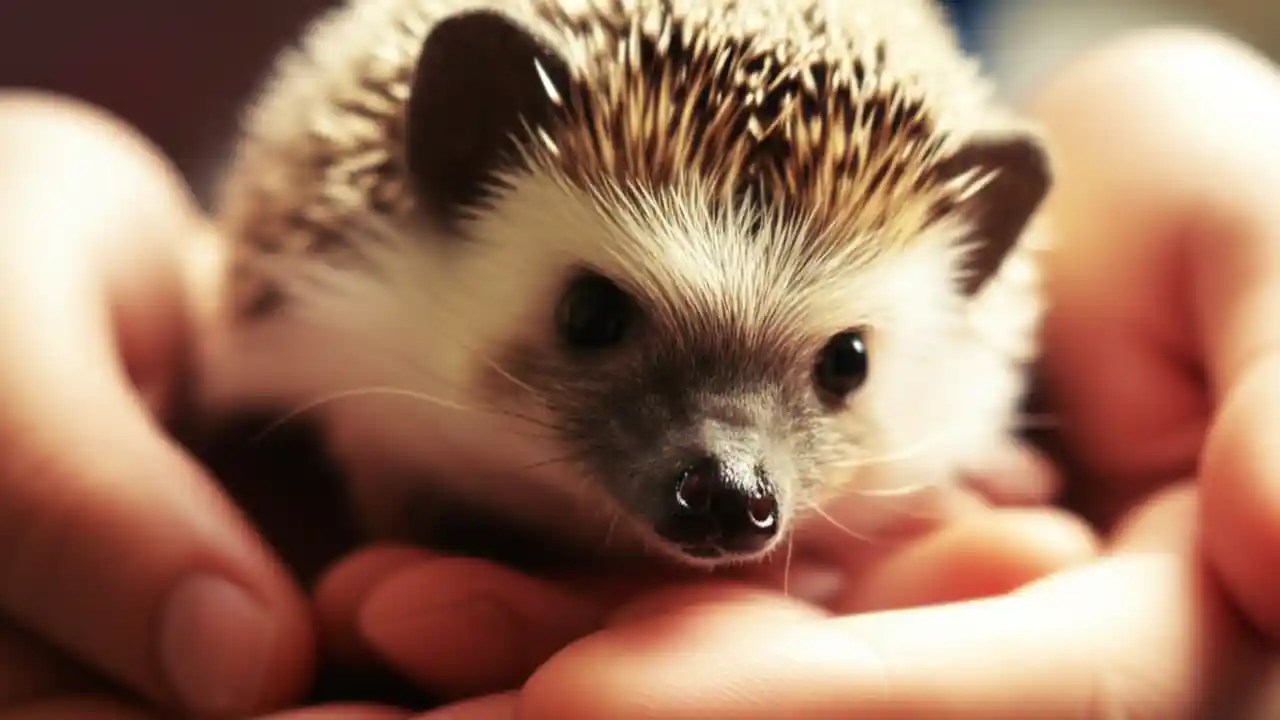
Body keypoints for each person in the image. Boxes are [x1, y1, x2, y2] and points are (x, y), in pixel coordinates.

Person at [0, 25, 1277, 720]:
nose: (728, 468)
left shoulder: (970, 377)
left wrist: (1144, 114)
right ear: (458, 172)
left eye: (838, 365)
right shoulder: (315, 313)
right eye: (599, 320)